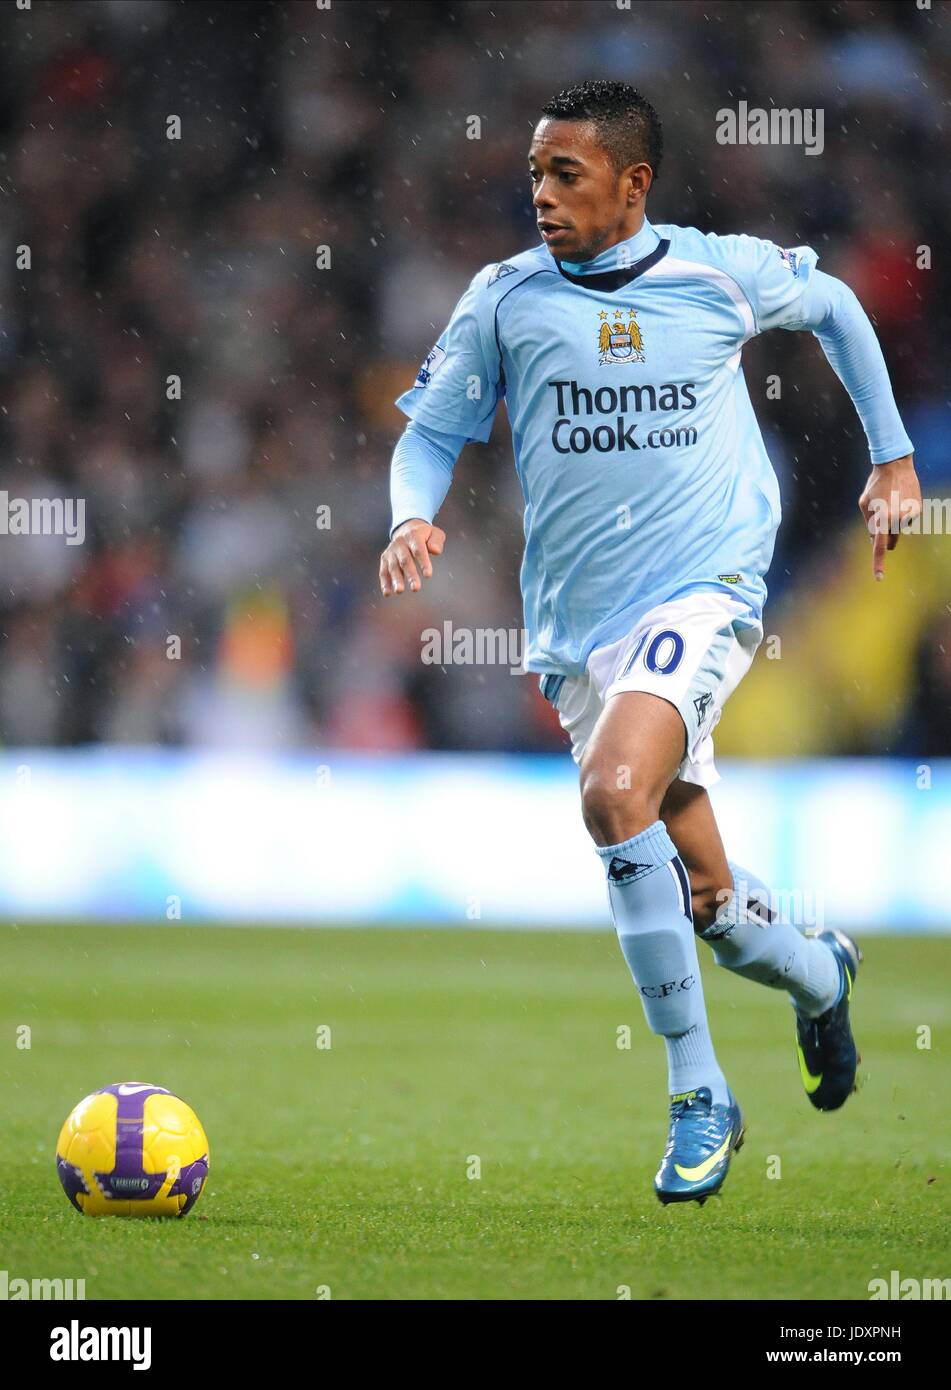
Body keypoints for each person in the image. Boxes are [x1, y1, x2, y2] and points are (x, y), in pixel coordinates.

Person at [379, 80, 920, 1204]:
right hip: (580, 633)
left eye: (563, 173)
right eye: (534, 173)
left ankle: (696, 1092)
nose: (540, 194)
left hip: (703, 592)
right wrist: (409, 515)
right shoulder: (503, 299)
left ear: (633, 183)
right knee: (710, 902)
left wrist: (892, 457)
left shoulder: (717, 272)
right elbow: (429, 433)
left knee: (613, 792)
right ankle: (821, 975)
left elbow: (834, 306)